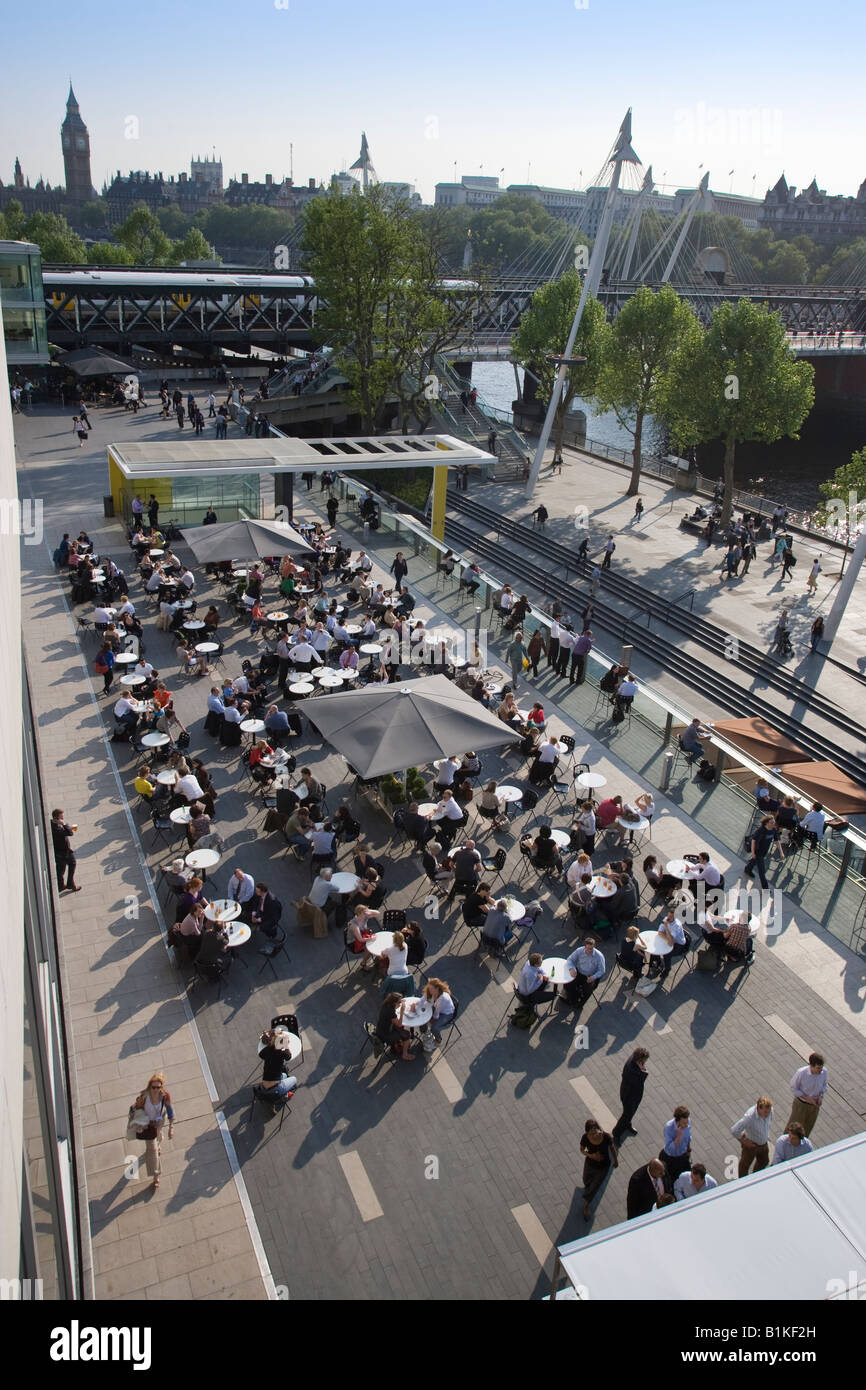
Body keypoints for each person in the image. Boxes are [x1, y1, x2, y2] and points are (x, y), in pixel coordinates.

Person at [130, 1072, 175, 1190]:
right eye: (153, 1087)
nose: (156, 1090)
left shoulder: (165, 1096)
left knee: (159, 1136)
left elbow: (170, 1111)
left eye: (158, 1087)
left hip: (159, 1122)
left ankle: (158, 1143)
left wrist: (171, 1127)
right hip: (147, 1125)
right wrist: (137, 1113)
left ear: (161, 1087)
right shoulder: (144, 1096)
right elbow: (135, 1108)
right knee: (152, 1150)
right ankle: (156, 1175)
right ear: (150, 1086)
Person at [580, 1119, 618, 1220]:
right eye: (590, 1133)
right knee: (586, 1180)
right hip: (590, 1164)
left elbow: (612, 1148)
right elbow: (582, 1149)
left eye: (595, 1131)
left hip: (603, 1167)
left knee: (594, 1187)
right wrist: (591, 1156)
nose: (593, 1134)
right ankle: (588, 1190)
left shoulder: (606, 1137)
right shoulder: (585, 1138)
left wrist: (616, 1160)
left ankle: (587, 1205)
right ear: (587, 1132)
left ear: (598, 1129)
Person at [613, 1047, 650, 1143]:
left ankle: (627, 1124)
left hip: (630, 1093)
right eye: (644, 1061)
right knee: (627, 1114)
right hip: (630, 1096)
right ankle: (616, 1133)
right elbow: (640, 1081)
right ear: (639, 1060)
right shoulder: (633, 1070)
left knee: (629, 1114)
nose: (645, 1063)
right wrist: (643, 1071)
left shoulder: (633, 1060)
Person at [786, 1053, 827, 1138]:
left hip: (815, 1106)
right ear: (811, 1066)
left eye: (821, 1068)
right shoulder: (801, 1073)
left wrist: (821, 1096)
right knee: (793, 1129)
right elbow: (794, 1088)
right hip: (801, 1105)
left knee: (807, 1130)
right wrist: (807, 1098)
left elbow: (824, 1085)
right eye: (818, 1068)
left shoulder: (824, 1072)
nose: (820, 1071)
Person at [731, 1097, 774, 1176]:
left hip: (763, 1143)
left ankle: (755, 1177)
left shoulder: (770, 1111)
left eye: (768, 1112)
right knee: (744, 1165)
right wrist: (743, 1141)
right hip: (751, 1145)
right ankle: (743, 1182)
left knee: (764, 1161)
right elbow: (734, 1130)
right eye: (765, 1112)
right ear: (758, 1108)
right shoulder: (749, 1118)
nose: (767, 1114)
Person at [257, 1029, 298, 1111]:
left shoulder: (268, 1050)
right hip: (274, 1090)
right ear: (282, 1045)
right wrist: (286, 1046)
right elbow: (289, 1056)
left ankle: (275, 1097)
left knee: (285, 1075)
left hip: (263, 1087)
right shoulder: (282, 1054)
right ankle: (283, 1097)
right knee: (294, 1079)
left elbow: (261, 1055)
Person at [563, 937, 606, 1009]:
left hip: (589, 977)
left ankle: (580, 1004)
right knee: (567, 985)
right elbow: (570, 959)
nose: (590, 951)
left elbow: (602, 970)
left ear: (594, 947)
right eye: (588, 948)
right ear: (584, 947)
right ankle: (573, 998)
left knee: (587, 991)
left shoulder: (599, 956)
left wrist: (593, 977)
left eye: (591, 949)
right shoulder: (579, 950)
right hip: (579, 973)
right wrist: (571, 969)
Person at [376, 992, 416, 1061]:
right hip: (385, 1037)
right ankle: (405, 1055)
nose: (400, 1004)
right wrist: (402, 1011)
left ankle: (398, 1044)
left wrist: (401, 1001)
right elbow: (399, 1024)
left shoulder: (386, 1004)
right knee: (406, 1034)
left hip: (380, 1030)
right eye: (399, 1002)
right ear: (394, 1003)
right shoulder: (390, 1011)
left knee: (401, 1028)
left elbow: (394, 1020)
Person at [744, 814, 780, 890]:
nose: (773, 824)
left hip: (764, 852)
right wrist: (753, 853)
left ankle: (747, 869)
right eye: (771, 822)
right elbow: (753, 841)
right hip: (758, 851)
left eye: (774, 822)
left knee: (754, 861)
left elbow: (777, 841)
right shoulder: (761, 830)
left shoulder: (774, 830)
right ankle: (765, 888)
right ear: (766, 823)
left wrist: (781, 852)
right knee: (762, 871)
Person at [51, 809, 80, 893]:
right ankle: (70, 884)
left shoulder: (52, 823)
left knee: (61, 869)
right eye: (61, 816)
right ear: (57, 818)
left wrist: (67, 827)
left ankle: (61, 886)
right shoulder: (57, 828)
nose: (63, 817)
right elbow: (70, 833)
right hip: (64, 852)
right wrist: (64, 825)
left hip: (58, 852)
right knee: (72, 864)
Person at [660, 1105, 692, 1184]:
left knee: (688, 1178)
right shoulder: (669, 1128)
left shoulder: (688, 1123)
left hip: (683, 1156)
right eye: (684, 1123)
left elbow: (688, 1138)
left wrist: (688, 1150)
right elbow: (670, 1148)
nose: (686, 1125)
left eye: (687, 1122)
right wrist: (678, 1136)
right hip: (670, 1158)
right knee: (671, 1181)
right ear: (677, 1121)